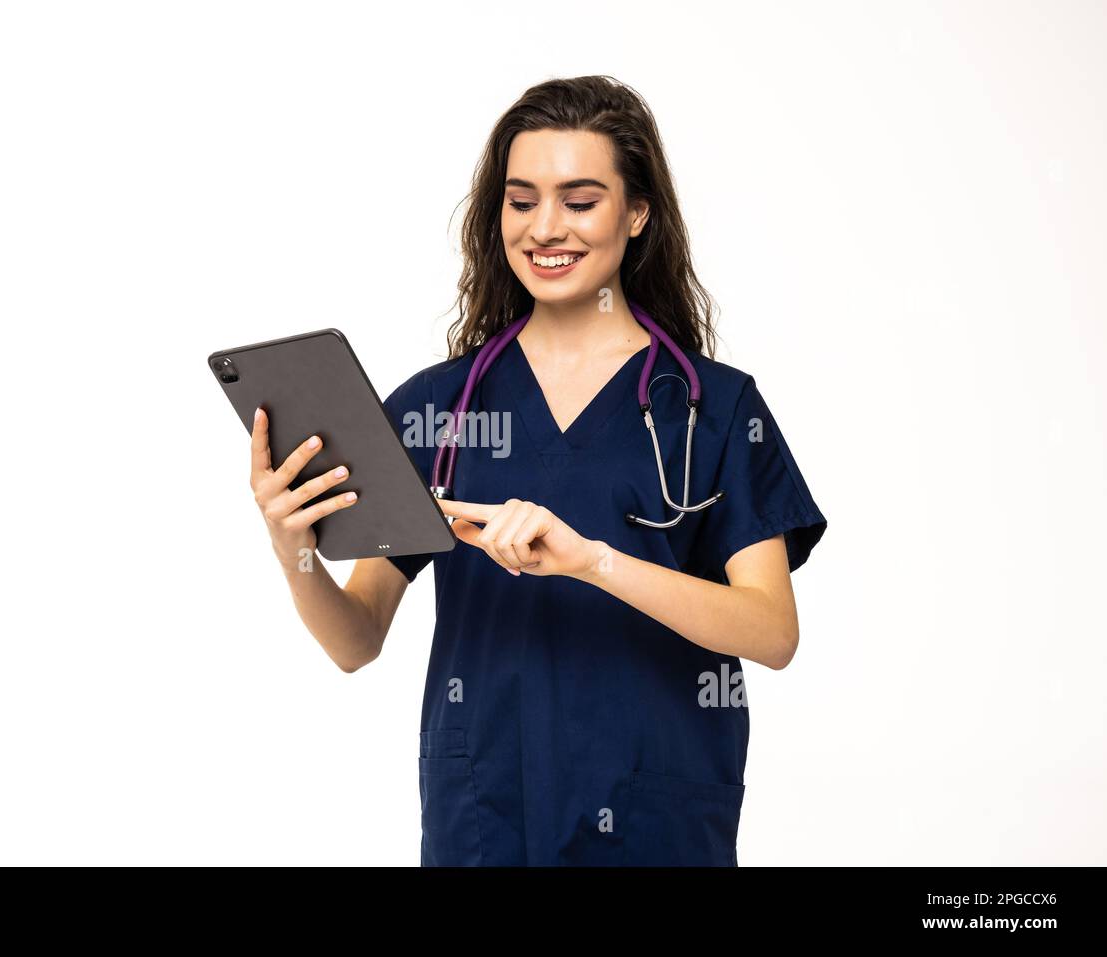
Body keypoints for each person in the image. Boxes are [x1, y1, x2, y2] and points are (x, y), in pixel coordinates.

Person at [249, 75, 827, 866]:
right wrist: (296, 552)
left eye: (580, 200)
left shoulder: (712, 408)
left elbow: (772, 629)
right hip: (487, 823)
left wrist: (592, 560)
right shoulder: (435, 408)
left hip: (656, 827)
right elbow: (357, 639)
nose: (545, 227)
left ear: (637, 212)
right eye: (521, 201)